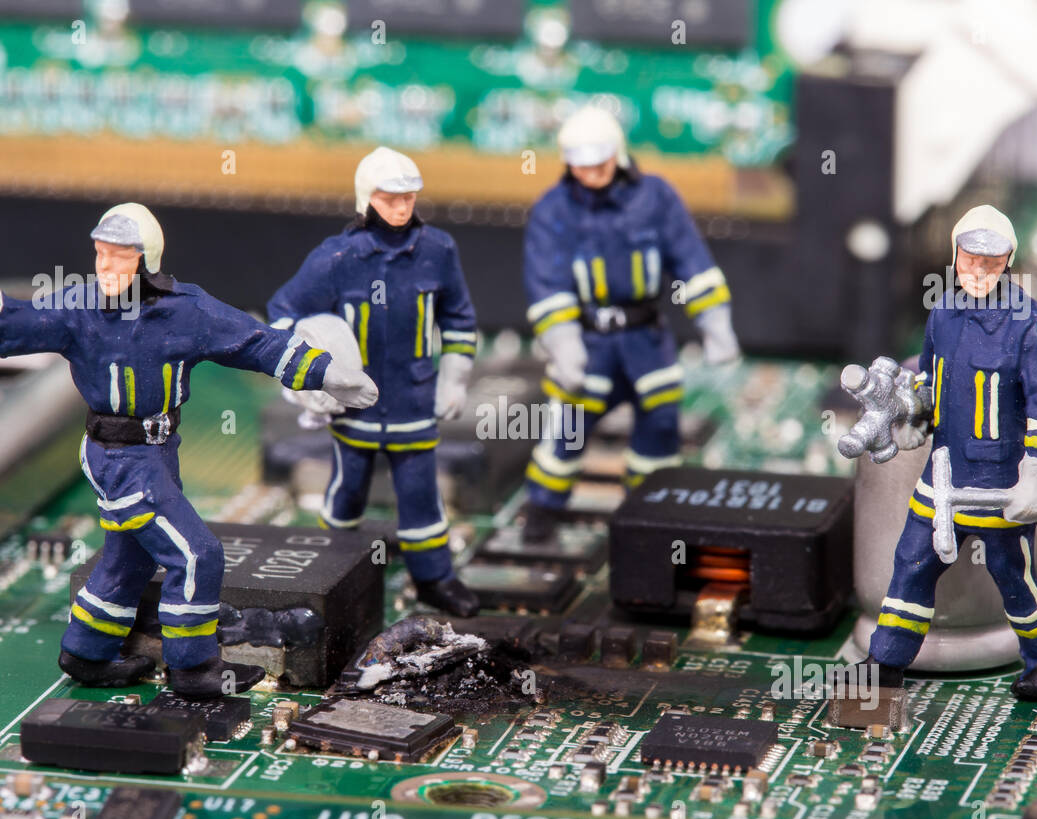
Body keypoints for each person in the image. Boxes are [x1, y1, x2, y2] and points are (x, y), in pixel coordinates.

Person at [0, 203, 377, 696]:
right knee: (196, 555)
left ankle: (85, 653)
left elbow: (258, 343)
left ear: (146, 260)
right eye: (100, 254)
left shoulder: (185, 310)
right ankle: (193, 668)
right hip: (118, 458)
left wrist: (329, 373)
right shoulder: (78, 309)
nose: (105, 266)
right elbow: (11, 328)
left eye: (119, 256)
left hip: (160, 452)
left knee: (127, 561)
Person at [861, 204, 1037, 700]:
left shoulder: (1032, 325)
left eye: (992, 260)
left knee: (1013, 576)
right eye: (969, 257)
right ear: (954, 256)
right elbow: (930, 379)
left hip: (1001, 485)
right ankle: (886, 662)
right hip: (943, 474)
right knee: (911, 563)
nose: (979, 269)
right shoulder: (943, 314)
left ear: (1008, 261)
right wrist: (917, 416)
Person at [267, 147, 480, 617]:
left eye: (408, 197)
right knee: (347, 492)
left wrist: (455, 380)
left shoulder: (438, 250)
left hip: (414, 400)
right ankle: (330, 574)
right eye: (390, 198)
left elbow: (460, 319)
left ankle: (434, 577)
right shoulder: (337, 257)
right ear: (368, 199)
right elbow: (283, 314)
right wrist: (305, 383)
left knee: (422, 496)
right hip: (354, 407)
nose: (401, 207)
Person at [520, 105, 741, 541]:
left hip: (647, 340)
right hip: (588, 344)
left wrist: (717, 326)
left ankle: (649, 509)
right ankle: (543, 506)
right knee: (566, 429)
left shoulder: (655, 198)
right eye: (580, 166)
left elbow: (690, 260)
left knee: (660, 426)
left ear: (617, 154)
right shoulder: (552, 210)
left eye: (598, 163)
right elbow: (547, 283)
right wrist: (564, 346)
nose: (591, 174)